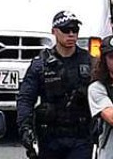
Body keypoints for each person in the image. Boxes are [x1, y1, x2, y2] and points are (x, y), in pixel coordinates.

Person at [16, 11, 95, 159]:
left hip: (81, 137)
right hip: (49, 138)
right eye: (66, 30)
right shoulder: (40, 65)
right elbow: (25, 99)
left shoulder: (90, 62)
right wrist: (25, 128)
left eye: (75, 30)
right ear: (54, 32)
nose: (71, 34)